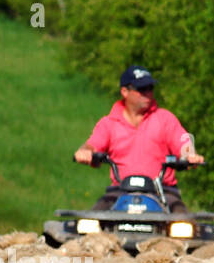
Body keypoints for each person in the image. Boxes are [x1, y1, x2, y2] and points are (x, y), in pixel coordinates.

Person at [73, 65, 204, 214]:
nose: (147, 94)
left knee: (185, 227)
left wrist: (189, 155)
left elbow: (183, 142)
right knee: (90, 224)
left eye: (150, 88)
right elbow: (92, 145)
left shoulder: (165, 119)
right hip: (119, 192)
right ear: (125, 92)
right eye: (142, 89)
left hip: (162, 192)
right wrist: (84, 152)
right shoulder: (109, 123)